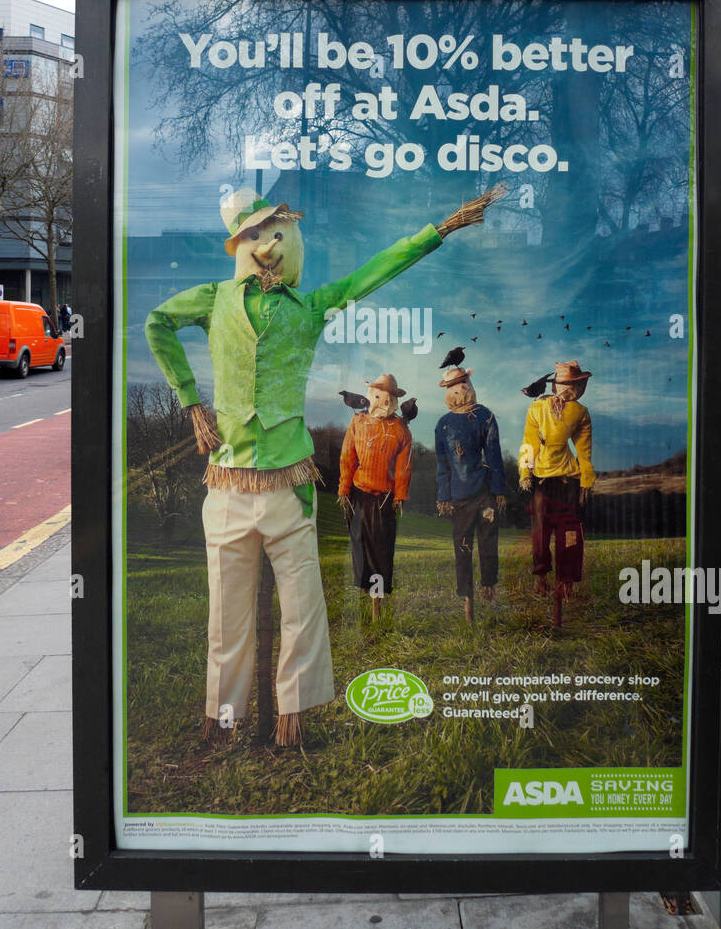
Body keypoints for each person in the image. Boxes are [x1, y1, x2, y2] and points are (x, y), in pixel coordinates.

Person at [144, 183, 504, 746]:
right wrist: (191, 400)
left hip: (290, 483)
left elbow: (372, 274)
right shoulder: (215, 299)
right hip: (229, 482)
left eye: (275, 233)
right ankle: (224, 714)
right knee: (226, 611)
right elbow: (157, 323)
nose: (267, 245)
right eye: (255, 234)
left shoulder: (310, 307)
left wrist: (439, 231)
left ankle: (295, 714)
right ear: (241, 242)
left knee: (305, 607)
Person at [519, 360, 594, 627]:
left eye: (577, 385)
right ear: (556, 385)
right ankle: (541, 577)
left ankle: (567, 581)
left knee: (570, 534)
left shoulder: (581, 412)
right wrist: (525, 472)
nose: (571, 390)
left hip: (568, 483)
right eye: (568, 385)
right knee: (540, 533)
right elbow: (529, 442)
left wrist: (586, 481)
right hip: (541, 481)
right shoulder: (537, 408)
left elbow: (584, 450)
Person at [337, 373, 412, 620]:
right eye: (378, 395)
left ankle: (378, 600)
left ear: (393, 400)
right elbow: (348, 458)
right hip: (358, 493)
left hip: (384, 499)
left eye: (387, 397)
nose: (382, 401)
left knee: (381, 550)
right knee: (360, 545)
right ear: (371, 396)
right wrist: (343, 489)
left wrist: (400, 495)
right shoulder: (358, 422)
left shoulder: (399, 428)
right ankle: (366, 591)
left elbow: (403, 467)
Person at [434, 368, 506, 623]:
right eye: (454, 385)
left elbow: (494, 453)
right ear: (447, 391)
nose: (460, 388)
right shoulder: (443, 424)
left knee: (488, 540)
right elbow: (442, 464)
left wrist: (498, 490)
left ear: (469, 384)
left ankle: (488, 583)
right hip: (459, 496)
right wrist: (444, 495)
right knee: (462, 546)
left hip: (485, 493)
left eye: (463, 383)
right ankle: (466, 597)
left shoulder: (484, 416)